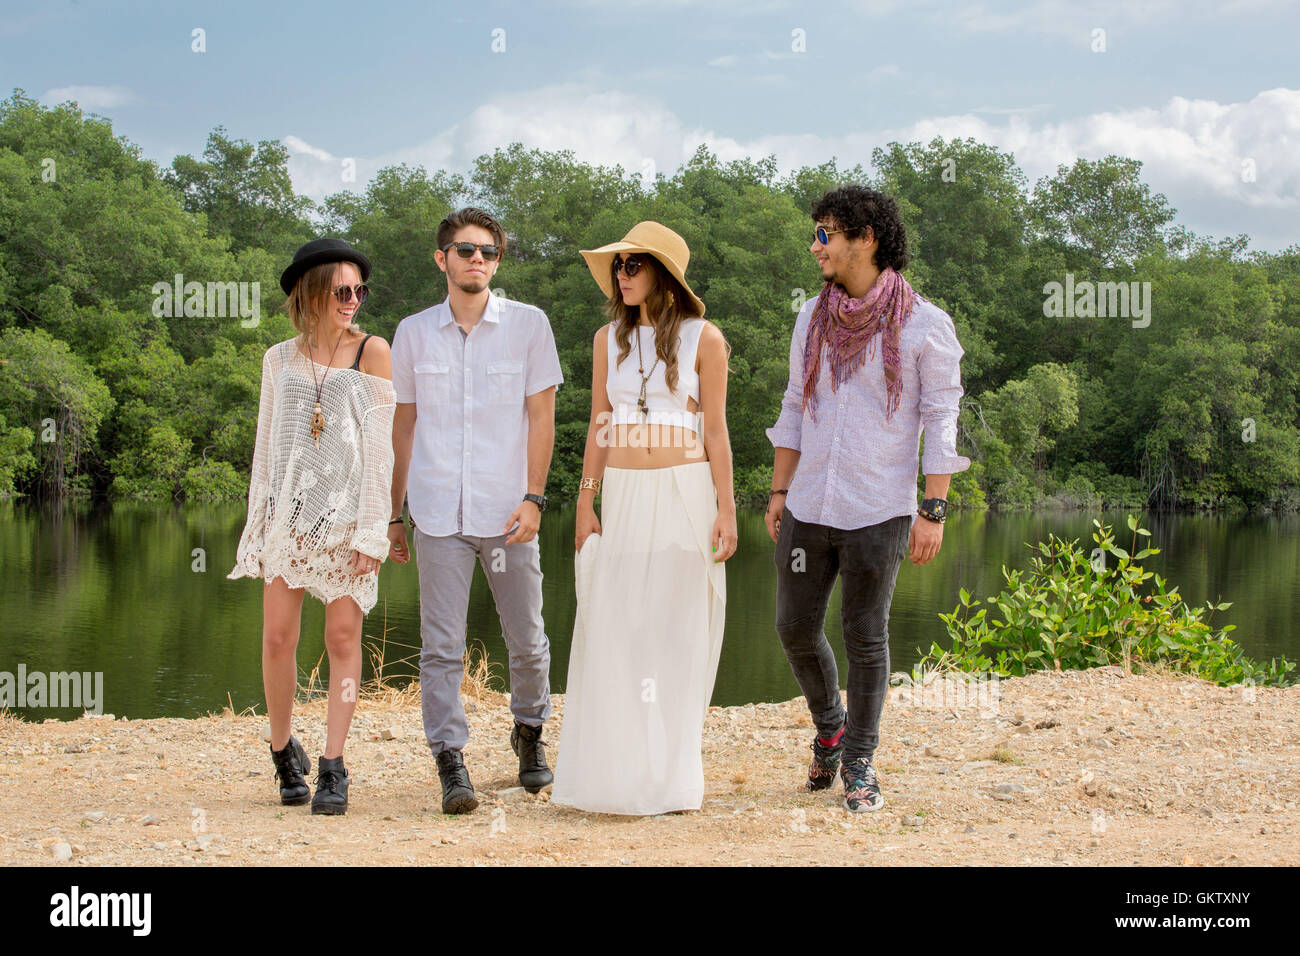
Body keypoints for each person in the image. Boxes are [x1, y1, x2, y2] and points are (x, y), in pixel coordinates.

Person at [766, 185, 970, 813]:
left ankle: (858, 762)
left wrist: (933, 508)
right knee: (794, 627)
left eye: (826, 232)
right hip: (808, 505)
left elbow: (941, 417)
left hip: (880, 509)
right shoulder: (812, 317)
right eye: (817, 232)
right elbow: (796, 405)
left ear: (866, 238)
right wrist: (778, 489)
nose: (815, 244)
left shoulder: (923, 324)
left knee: (865, 635)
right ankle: (829, 728)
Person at [552, 221, 737, 816]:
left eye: (634, 264)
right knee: (622, 624)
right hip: (626, 494)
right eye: (618, 266)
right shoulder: (609, 339)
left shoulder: (704, 338)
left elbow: (716, 431)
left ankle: (674, 777)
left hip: (687, 491)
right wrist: (586, 498)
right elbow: (598, 425)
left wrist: (728, 507)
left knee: (676, 628)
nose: (623, 274)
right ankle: (618, 774)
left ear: (664, 274)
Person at [387, 208, 564, 814]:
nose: (477, 260)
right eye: (465, 250)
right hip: (436, 513)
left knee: (528, 640)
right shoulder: (412, 333)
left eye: (487, 252)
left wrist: (535, 498)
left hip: (509, 513)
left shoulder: (529, 326)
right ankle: (449, 760)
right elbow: (402, 426)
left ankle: (530, 735)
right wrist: (392, 513)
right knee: (440, 648)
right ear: (442, 259)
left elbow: (543, 417)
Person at [228, 237, 396, 816]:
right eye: (342, 290)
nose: (353, 300)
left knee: (342, 640)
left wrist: (375, 531)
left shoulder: (373, 351)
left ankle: (333, 765)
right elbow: (267, 450)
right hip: (290, 523)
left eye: (359, 290)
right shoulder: (278, 359)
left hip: (349, 522)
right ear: (312, 291)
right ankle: (281, 752)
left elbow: (380, 452)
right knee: (278, 639)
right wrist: (261, 526)